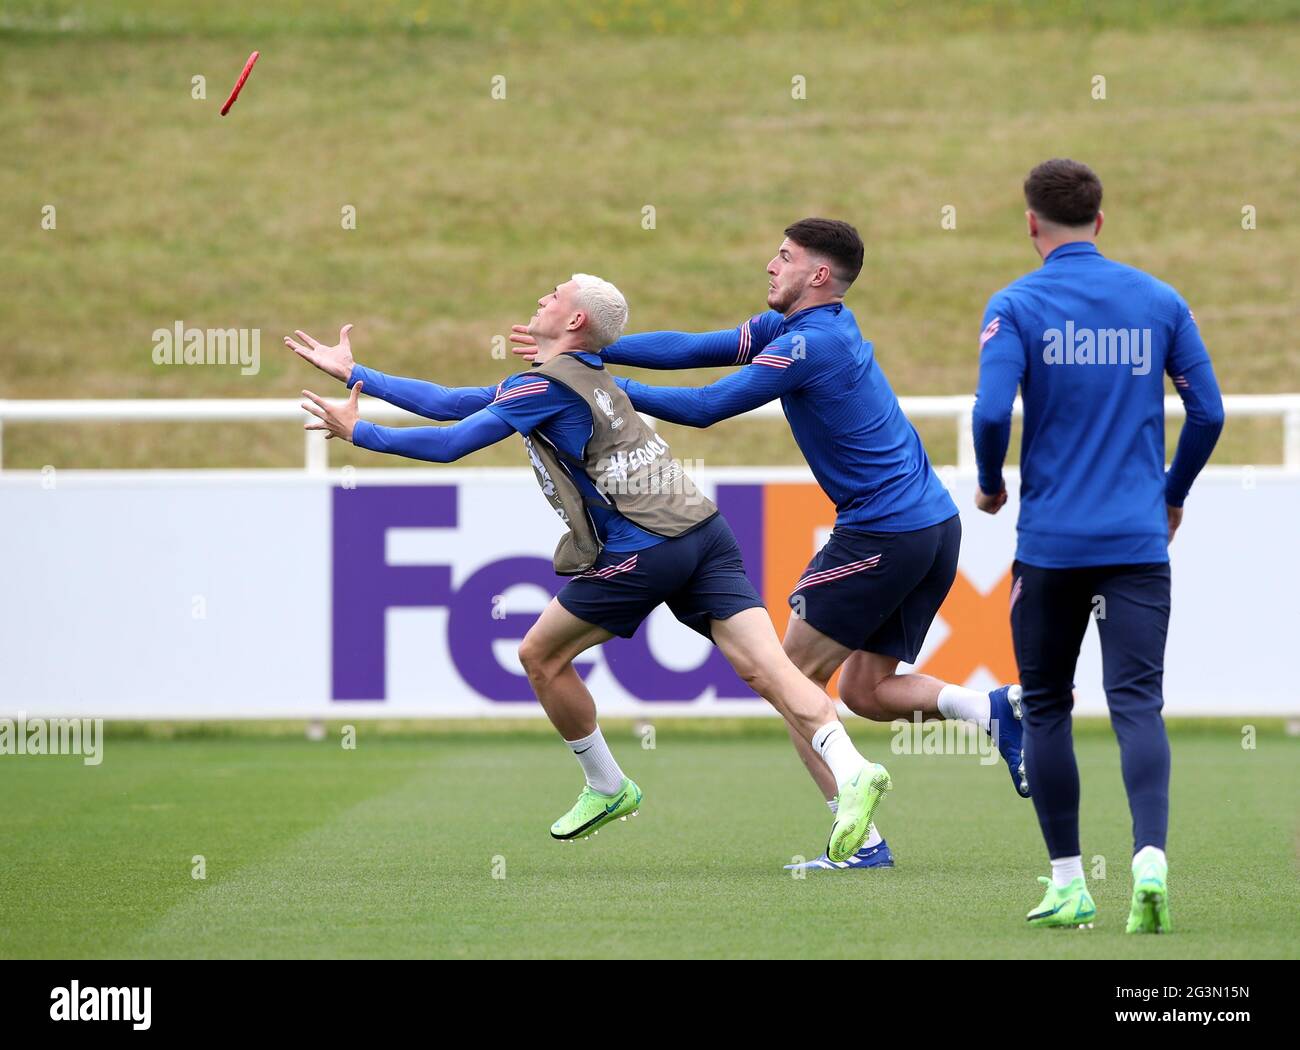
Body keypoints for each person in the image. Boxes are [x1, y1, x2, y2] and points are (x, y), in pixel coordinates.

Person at [285, 274, 891, 860]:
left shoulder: (545, 385)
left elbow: (450, 441)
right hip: (705, 532)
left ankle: (606, 784)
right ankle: (853, 769)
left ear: (573, 320)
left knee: (539, 656)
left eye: (555, 294)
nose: (542, 297)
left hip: (645, 547)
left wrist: (362, 433)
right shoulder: (582, 375)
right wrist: (355, 373)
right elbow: (450, 403)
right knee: (771, 672)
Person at [512, 221, 1028, 873]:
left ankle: (862, 844)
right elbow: (696, 348)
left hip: (883, 531)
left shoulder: (810, 343)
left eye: (784, 258)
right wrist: (593, 354)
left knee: (792, 681)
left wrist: (587, 384)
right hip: (930, 526)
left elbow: (705, 407)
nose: (769, 265)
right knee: (867, 691)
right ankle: (989, 708)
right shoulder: (795, 327)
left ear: (817, 276)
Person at [972, 159, 1224, 931]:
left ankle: (1070, 882)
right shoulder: (1158, 300)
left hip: (1052, 546)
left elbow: (990, 412)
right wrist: (1172, 494)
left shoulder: (1016, 303)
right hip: (1137, 541)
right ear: (1101, 220)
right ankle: (1149, 857)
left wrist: (990, 483)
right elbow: (1207, 411)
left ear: (1031, 222)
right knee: (1138, 703)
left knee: (1045, 705)